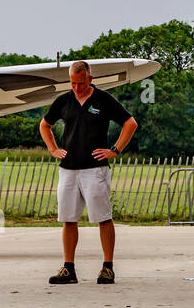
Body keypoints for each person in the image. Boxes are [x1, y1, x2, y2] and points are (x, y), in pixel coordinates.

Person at [39, 60, 138, 285]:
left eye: (81, 83)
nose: (76, 88)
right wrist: (53, 149)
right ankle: (68, 268)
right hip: (68, 169)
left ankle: (108, 267)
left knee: (103, 217)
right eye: (73, 83)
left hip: (95, 169)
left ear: (90, 79)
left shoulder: (103, 100)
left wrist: (115, 150)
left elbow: (130, 123)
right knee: (68, 218)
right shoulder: (63, 101)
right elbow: (45, 125)